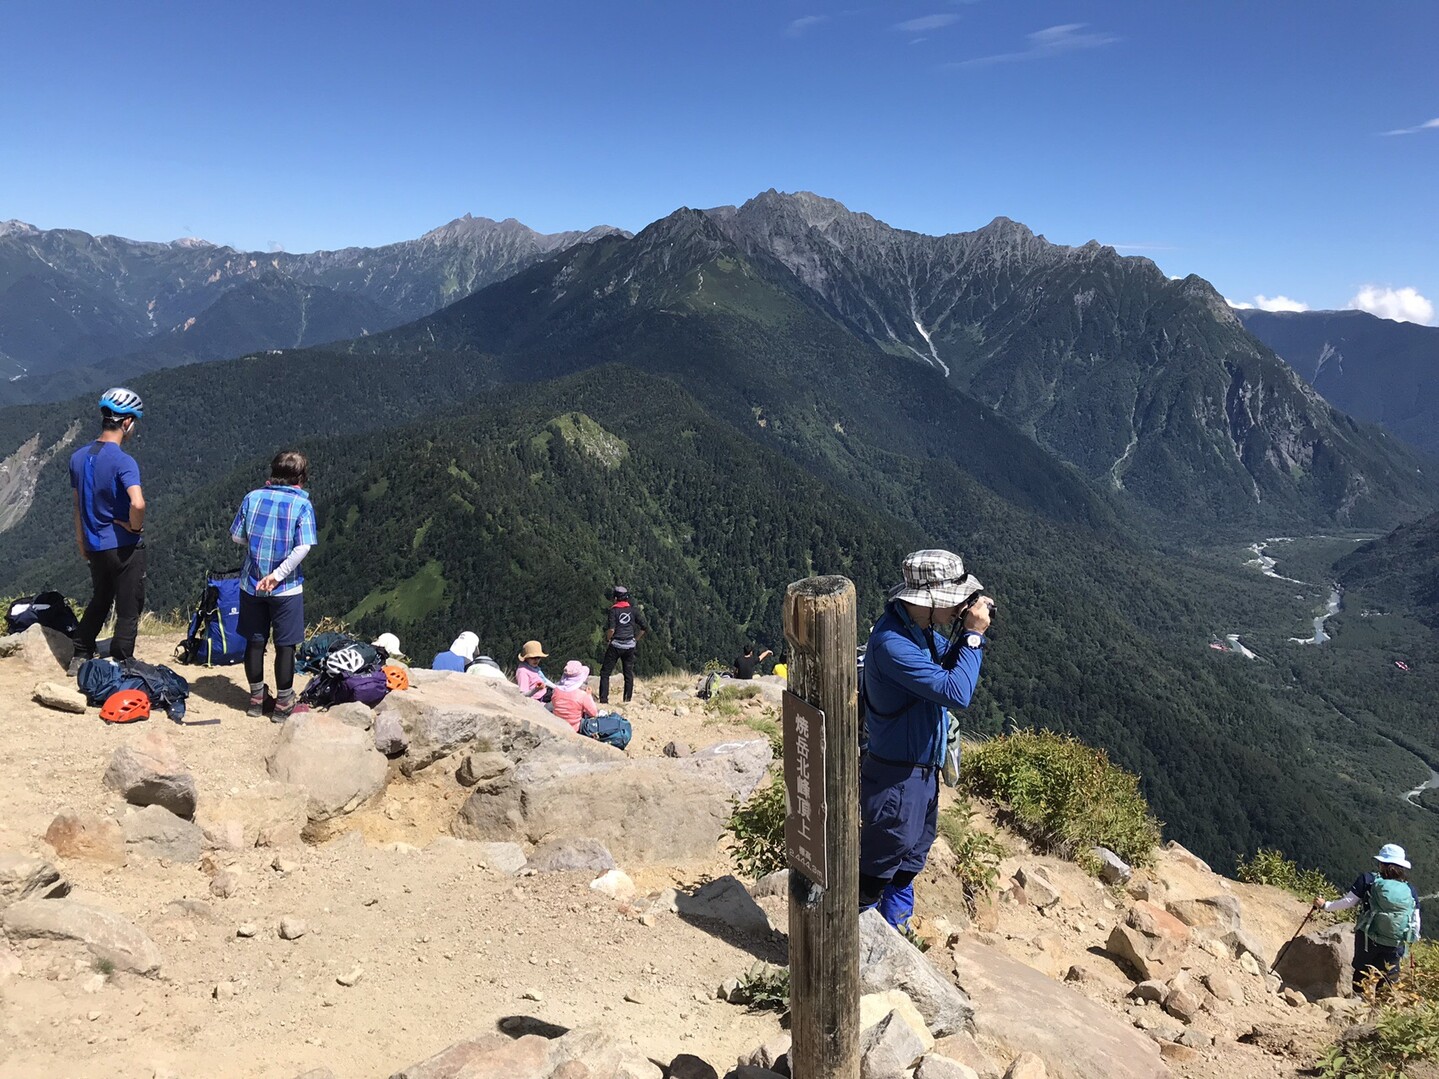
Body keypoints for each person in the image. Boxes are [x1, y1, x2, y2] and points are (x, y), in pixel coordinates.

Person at [860, 549, 994, 931]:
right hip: (897, 779)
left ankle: (894, 934)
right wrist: (972, 636)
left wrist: (965, 633)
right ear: (930, 599)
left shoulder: (917, 631)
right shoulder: (894, 643)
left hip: (920, 773)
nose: (958, 608)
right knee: (877, 870)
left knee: (909, 862)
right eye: (954, 601)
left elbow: (943, 668)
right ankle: (854, 947)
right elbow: (956, 693)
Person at [230, 450, 318, 720]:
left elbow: (237, 537)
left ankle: (256, 699)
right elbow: (303, 546)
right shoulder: (302, 505)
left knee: (255, 642)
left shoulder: (252, 498)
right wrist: (278, 574)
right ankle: (283, 704)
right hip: (286, 587)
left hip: (252, 582)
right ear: (301, 478)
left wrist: (258, 547)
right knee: (285, 646)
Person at [68, 387, 148, 673]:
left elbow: (77, 506)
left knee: (101, 597)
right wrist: (134, 526)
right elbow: (138, 503)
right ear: (126, 422)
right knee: (129, 604)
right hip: (124, 545)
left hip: (94, 543)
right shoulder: (123, 461)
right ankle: (121, 659)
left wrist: (82, 542)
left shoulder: (78, 457)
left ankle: (80, 652)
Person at [1314, 843, 1421, 991]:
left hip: (1368, 938)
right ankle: (1381, 1010)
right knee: (1387, 980)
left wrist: (1325, 905)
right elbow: (1415, 920)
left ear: (1382, 863)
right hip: (1395, 943)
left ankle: (1357, 1004)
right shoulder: (1410, 889)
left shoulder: (1368, 879)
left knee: (1361, 974)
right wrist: (1411, 939)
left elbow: (1348, 902)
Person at [598, 585, 646, 704]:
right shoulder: (633, 610)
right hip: (629, 646)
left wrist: (608, 639)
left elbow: (612, 630)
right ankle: (627, 699)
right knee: (628, 673)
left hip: (616, 645)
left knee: (605, 672)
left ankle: (604, 699)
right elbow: (644, 627)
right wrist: (635, 639)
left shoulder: (613, 611)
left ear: (615, 598)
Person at [549, 660, 600, 732]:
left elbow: (554, 703)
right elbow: (594, 713)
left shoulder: (556, 690)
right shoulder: (582, 695)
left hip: (557, 724)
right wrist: (589, 695)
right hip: (574, 728)